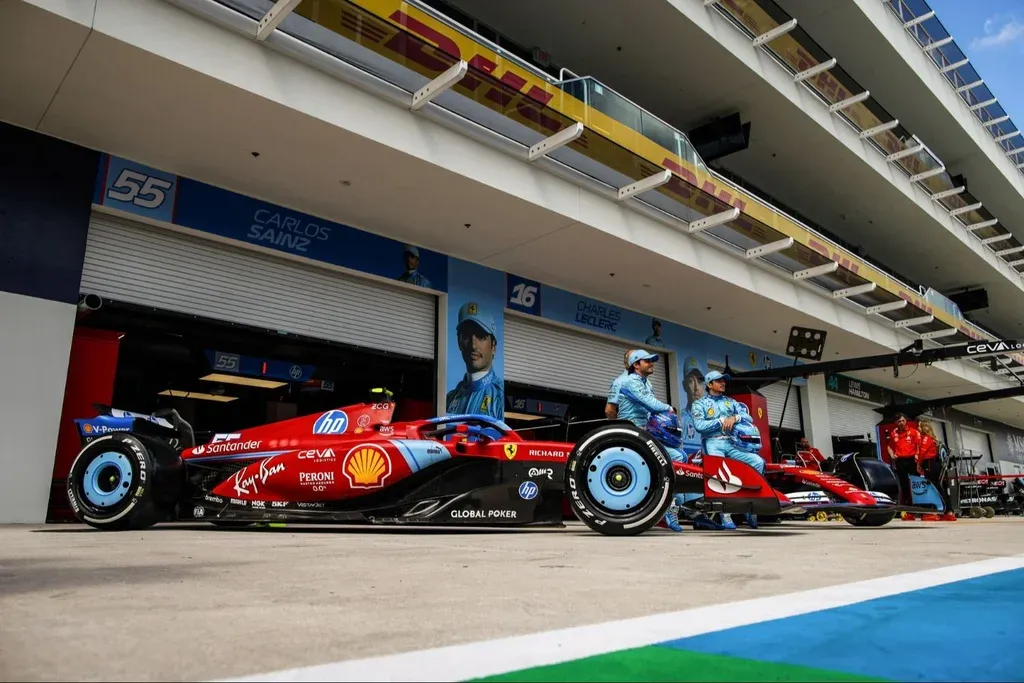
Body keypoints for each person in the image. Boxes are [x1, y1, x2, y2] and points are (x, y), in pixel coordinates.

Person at [616, 351, 728, 532]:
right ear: (636, 365)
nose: (652, 363)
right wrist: (669, 408)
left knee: (682, 456)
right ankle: (669, 507)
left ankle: (690, 509)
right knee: (676, 457)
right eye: (648, 361)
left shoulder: (644, 382)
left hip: (645, 434)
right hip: (633, 434)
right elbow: (650, 404)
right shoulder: (630, 381)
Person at [690, 370, 764, 529]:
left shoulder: (731, 402)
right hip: (712, 442)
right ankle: (725, 514)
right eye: (718, 381)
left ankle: (750, 508)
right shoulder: (699, 404)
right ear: (709, 384)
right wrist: (721, 420)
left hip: (733, 443)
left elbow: (749, 417)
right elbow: (699, 426)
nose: (723, 383)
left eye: (724, 381)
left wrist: (735, 418)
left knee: (757, 462)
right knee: (721, 474)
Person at [445, 302, 504, 420]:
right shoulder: (451, 398)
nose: (473, 345)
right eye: (466, 336)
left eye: (481, 337)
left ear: (493, 347)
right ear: (459, 342)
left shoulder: (500, 397)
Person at [916, 420, 955, 520]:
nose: (918, 428)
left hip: (929, 464)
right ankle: (948, 511)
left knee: (931, 488)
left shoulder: (926, 438)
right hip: (933, 464)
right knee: (937, 487)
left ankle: (935, 512)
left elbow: (922, 454)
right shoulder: (932, 439)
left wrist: (919, 465)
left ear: (923, 427)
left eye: (919, 426)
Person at [886, 413, 920, 510]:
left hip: (912, 460)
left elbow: (919, 445)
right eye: (899, 421)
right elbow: (889, 446)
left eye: (903, 420)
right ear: (895, 422)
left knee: (916, 483)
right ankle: (908, 506)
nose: (901, 423)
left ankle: (919, 505)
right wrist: (892, 454)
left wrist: (918, 456)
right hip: (900, 461)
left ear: (906, 421)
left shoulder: (913, 432)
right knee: (903, 484)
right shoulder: (893, 433)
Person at [604, 349, 636, 420]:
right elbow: (609, 411)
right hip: (632, 428)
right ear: (625, 363)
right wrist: (621, 427)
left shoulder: (646, 382)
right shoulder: (620, 381)